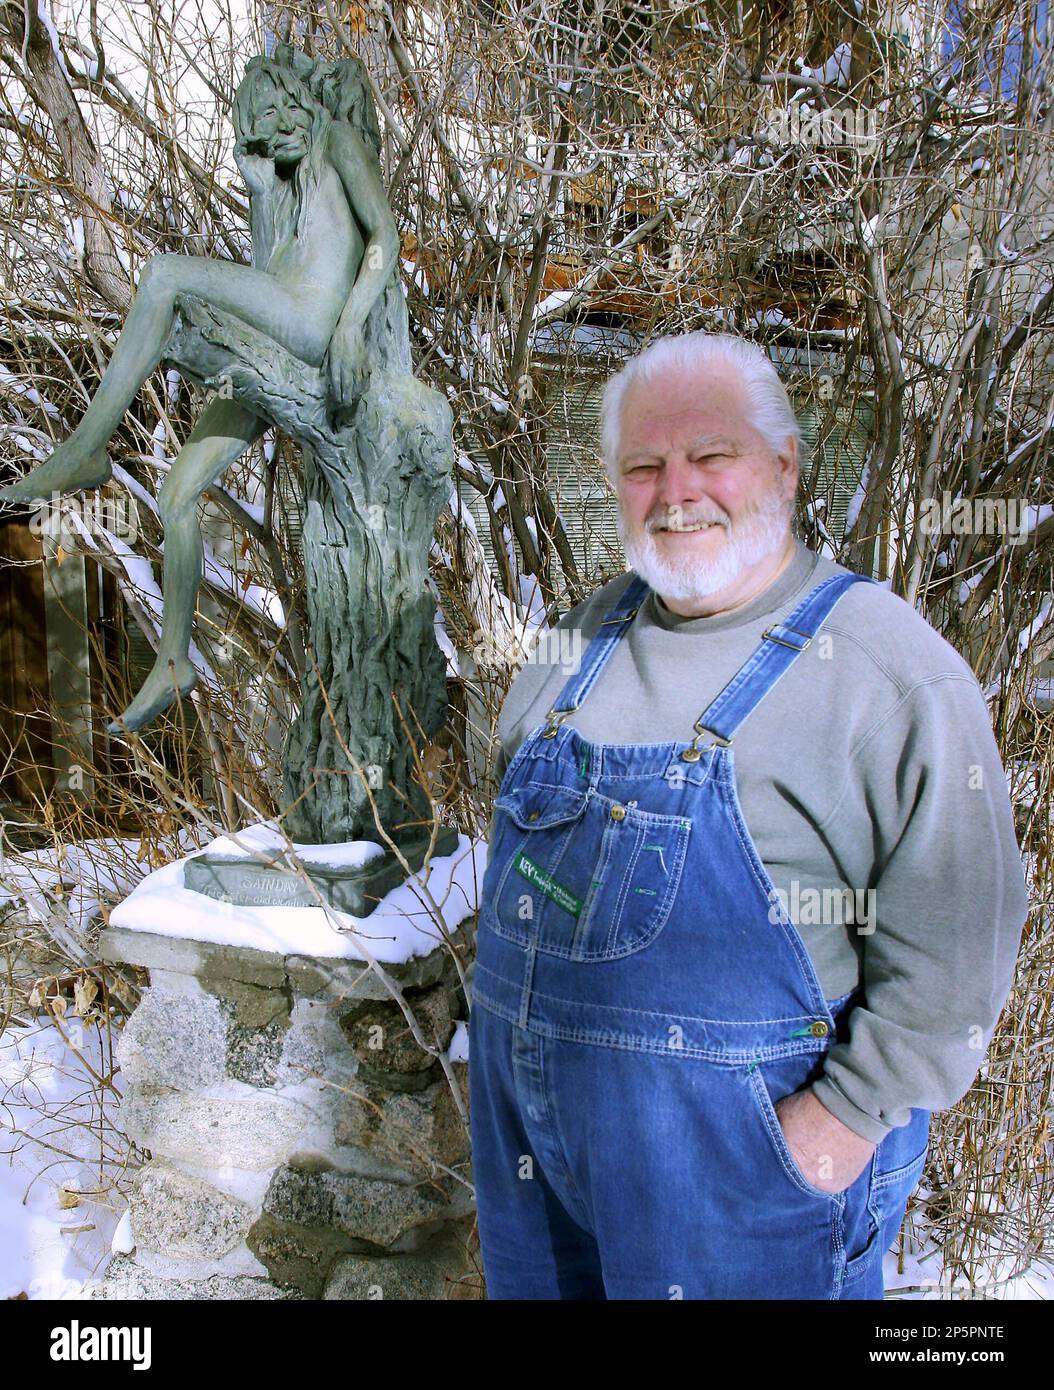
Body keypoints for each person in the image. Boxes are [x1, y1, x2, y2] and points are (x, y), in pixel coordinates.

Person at [468, 329, 1030, 1299]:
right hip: (537, 1181)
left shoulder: (888, 671)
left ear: (783, 462)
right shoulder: (573, 645)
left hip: (740, 1192)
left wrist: (845, 1118)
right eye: (644, 466)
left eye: (710, 457)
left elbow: (961, 939)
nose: (676, 490)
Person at [0, 48, 395, 733]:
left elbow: (385, 235)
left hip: (311, 324)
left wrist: (353, 328)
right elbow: (264, 273)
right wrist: (260, 191)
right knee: (178, 493)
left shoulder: (337, 140)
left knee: (162, 276)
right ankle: (175, 658)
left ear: (305, 99)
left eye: (279, 109)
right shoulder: (289, 178)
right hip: (276, 332)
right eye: (257, 125)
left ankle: (85, 449)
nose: (275, 130)